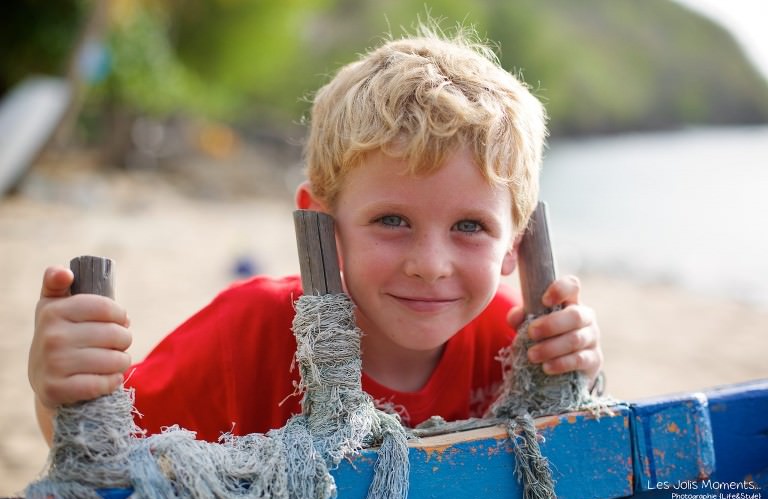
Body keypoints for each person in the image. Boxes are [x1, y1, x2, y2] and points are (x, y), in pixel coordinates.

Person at [28, 25, 603, 444]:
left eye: (471, 227)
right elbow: (99, 456)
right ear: (320, 223)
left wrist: (576, 371)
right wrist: (58, 392)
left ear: (514, 242)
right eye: (392, 220)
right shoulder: (246, 334)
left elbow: (582, 456)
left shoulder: (513, 350)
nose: (431, 264)